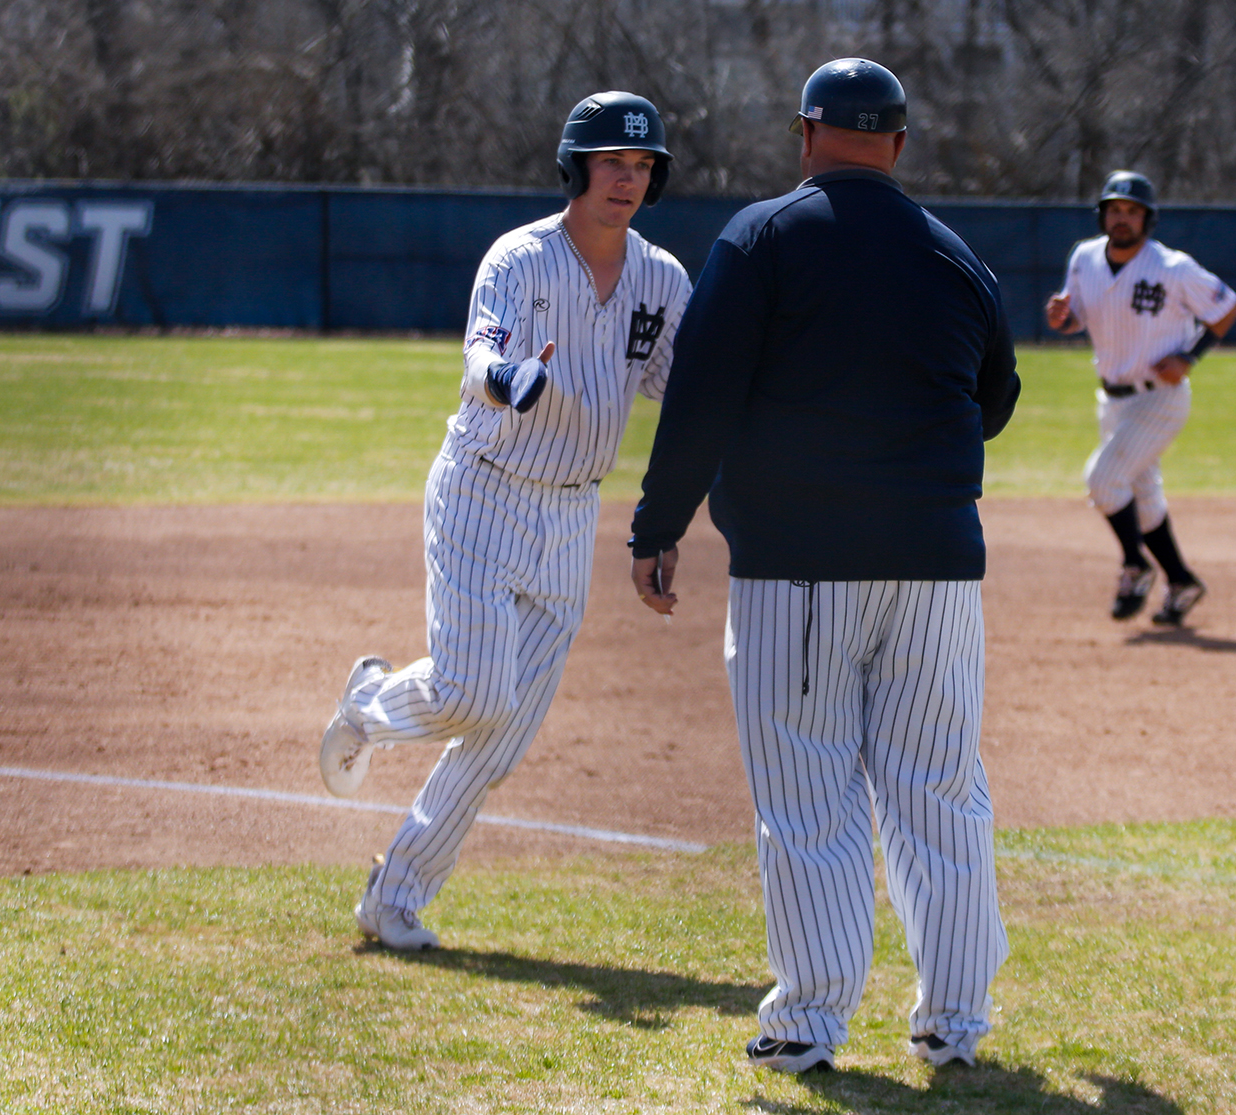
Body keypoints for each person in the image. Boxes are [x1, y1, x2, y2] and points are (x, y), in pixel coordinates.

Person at [627, 59, 1020, 1074]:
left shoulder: (761, 236)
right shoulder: (951, 256)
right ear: (897, 143)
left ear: (805, 134)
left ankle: (807, 1024)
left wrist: (656, 523)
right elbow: (995, 394)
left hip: (797, 567)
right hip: (937, 567)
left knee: (808, 795)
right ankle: (955, 1023)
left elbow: (700, 395)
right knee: (938, 787)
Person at [319, 92, 692, 952]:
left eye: (641, 167)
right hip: (485, 488)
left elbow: (687, 394)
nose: (626, 179)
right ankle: (369, 702)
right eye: (611, 163)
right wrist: (508, 378)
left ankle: (395, 897)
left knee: (500, 740)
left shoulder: (663, 281)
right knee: (472, 691)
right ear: (575, 168)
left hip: (571, 512)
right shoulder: (518, 259)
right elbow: (483, 349)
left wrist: (670, 514)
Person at [1045, 171, 1236, 624]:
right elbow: (1079, 316)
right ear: (1103, 215)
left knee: (1102, 479)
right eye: (1115, 209)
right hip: (1111, 399)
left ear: (1148, 219)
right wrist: (1063, 318)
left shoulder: (1173, 267)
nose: (1123, 218)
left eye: (1133, 211)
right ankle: (1182, 581)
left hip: (1160, 397)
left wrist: (1190, 356)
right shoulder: (1085, 257)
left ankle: (1135, 564)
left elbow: (1227, 305)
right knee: (1144, 498)